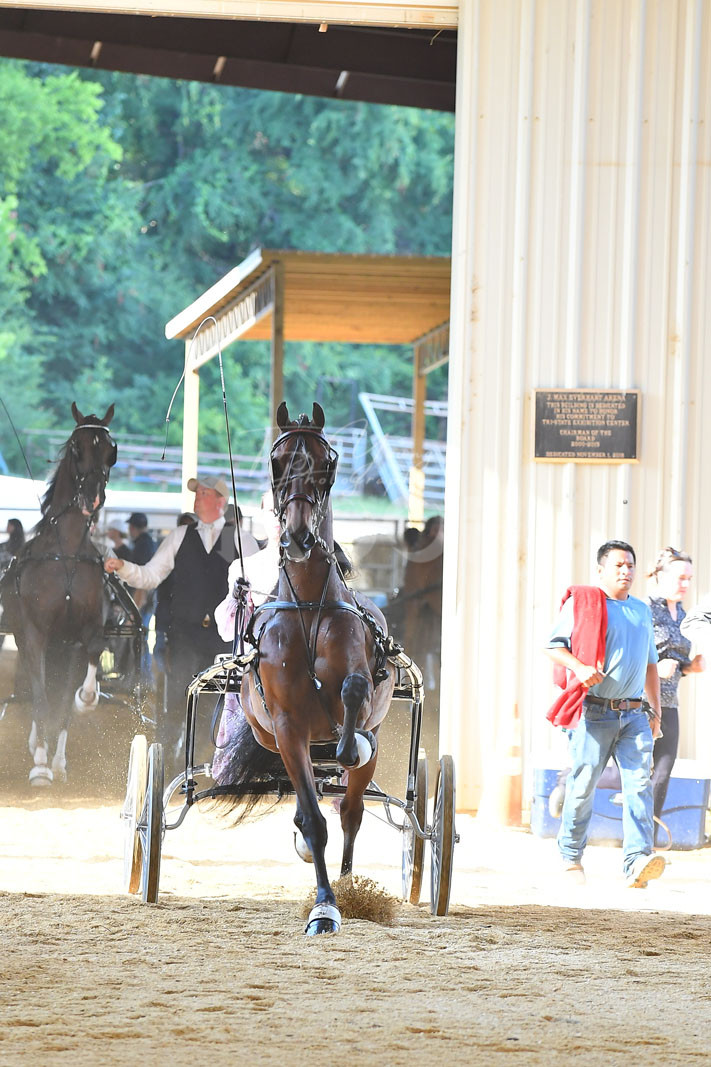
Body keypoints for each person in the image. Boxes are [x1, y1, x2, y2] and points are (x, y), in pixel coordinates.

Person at [104, 476, 261, 767]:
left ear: (220, 501)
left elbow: (260, 585)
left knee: (214, 705)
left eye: (203, 493)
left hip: (223, 641)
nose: (196, 497)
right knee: (178, 699)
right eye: (197, 493)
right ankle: (166, 763)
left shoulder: (238, 539)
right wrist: (123, 567)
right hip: (184, 635)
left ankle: (201, 765)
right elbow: (151, 575)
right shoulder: (180, 536)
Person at [545, 540, 665, 889]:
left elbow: (650, 665)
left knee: (639, 785)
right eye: (618, 566)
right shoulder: (584, 604)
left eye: (630, 566)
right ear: (600, 570)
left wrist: (655, 712)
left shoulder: (641, 611)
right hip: (593, 712)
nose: (626, 571)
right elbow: (553, 646)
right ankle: (570, 858)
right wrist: (580, 667)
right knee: (582, 787)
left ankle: (637, 861)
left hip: (634, 715)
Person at [646, 548, 705, 832]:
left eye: (689, 579)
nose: (685, 584)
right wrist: (656, 668)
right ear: (660, 575)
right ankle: (570, 779)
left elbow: (676, 663)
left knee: (663, 771)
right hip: (640, 701)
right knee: (631, 770)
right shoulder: (644, 609)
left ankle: (647, 840)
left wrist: (690, 667)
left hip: (669, 702)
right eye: (680, 577)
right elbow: (629, 656)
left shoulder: (682, 614)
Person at [106, 512, 157, 674]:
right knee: (139, 640)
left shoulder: (143, 546)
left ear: (133, 528)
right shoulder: (146, 543)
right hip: (143, 601)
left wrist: (136, 608)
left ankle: (143, 680)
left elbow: (143, 581)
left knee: (140, 640)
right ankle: (141, 679)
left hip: (142, 601)